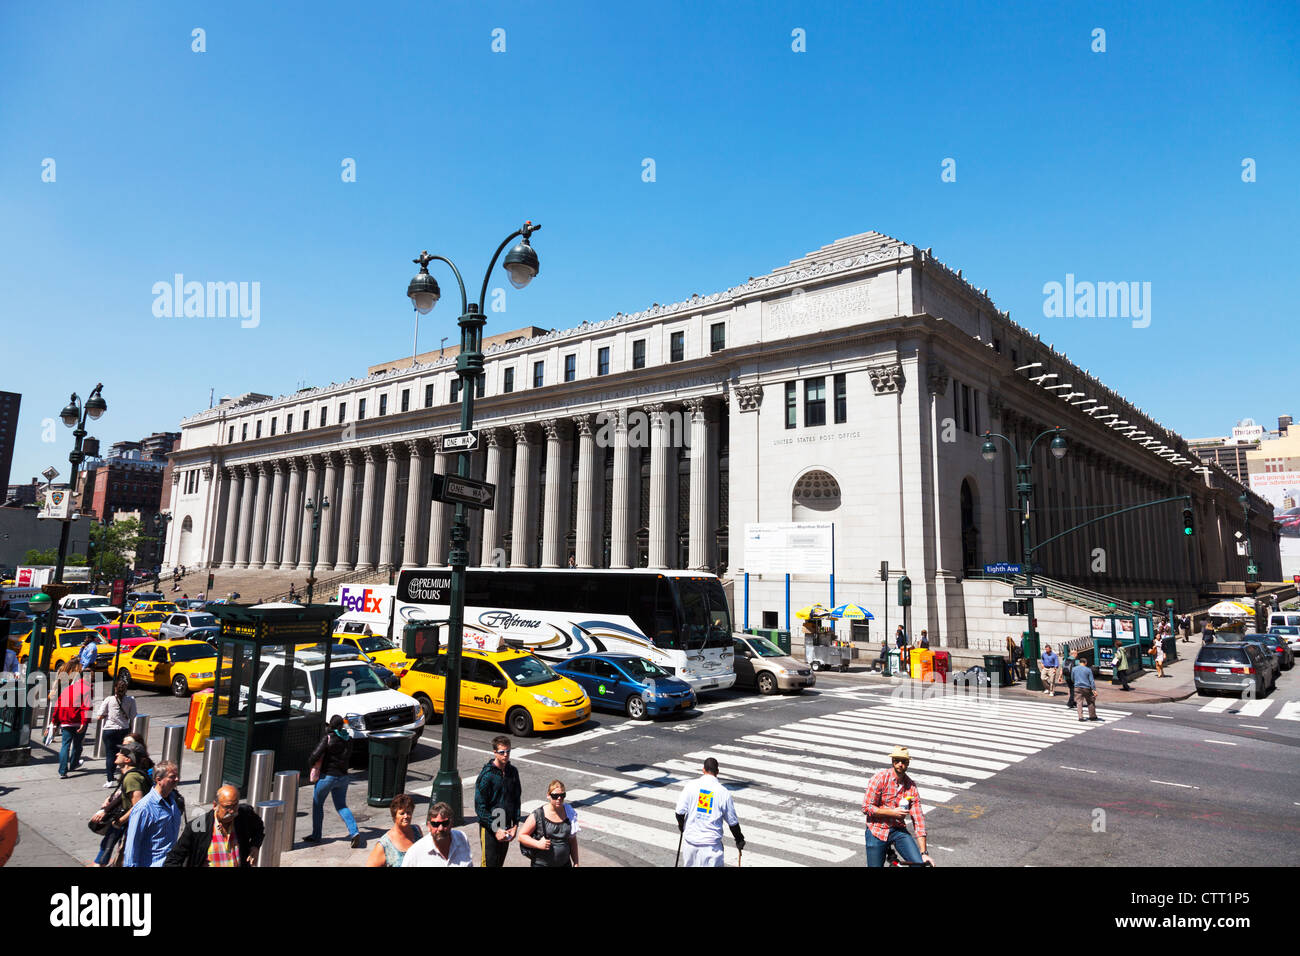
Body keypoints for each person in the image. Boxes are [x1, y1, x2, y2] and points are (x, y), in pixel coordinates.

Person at [862, 746, 933, 867]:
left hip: (897, 830)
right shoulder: (880, 779)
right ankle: (890, 856)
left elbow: (919, 819)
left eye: (904, 761)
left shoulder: (911, 786)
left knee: (919, 864)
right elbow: (867, 807)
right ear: (892, 761)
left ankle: (893, 859)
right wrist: (892, 812)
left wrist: (924, 852)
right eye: (897, 760)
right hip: (877, 830)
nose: (900, 764)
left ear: (908, 763)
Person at [165, 784, 264, 867]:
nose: (232, 811)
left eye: (235, 805)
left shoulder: (244, 815)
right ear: (215, 805)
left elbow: (259, 828)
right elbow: (173, 859)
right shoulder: (198, 827)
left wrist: (255, 846)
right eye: (227, 807)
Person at [674, 757, 744, 867]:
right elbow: (732, 822)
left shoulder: (690, 786)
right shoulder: (723, 792)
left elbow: (679, 812)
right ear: (717, 772)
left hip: (691, 845)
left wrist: (681, 825)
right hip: (711, 848)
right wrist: (739, 839)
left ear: (703, 770)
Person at [89, 740, 150, 866]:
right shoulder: (129, 775)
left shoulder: (132, 778)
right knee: (108, 849)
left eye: (121, 753)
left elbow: (138, 806)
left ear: (128, 760)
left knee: (120, 855)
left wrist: (120, 821)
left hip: (129, 824)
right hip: (126, 823)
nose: (117, 754)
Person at [304, 715, 361, 848]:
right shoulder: (349, 739)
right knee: (341, 806)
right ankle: (354, 832)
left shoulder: (329, 738)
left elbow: (315, 755)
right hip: (343, 777)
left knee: (318, 804)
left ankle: (316, 835)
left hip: (327, 777)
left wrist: (311, 764)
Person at [123, 760, 184, 867]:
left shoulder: (173, 801)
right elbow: (132, 844)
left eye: (177, 775)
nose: (177, 779)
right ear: (158, 780)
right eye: (172, 776)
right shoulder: (144, 808)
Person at [474, 734, 522, 867]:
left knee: (499, 862)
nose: (505, 755)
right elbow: (480, 808)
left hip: (506, 823)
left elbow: (516, 800)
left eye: (508, 751)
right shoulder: (487, 775)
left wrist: (515, 825)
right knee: (489, 863)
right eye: (502, 752)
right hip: (490, 826)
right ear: (495, 752)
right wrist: (495, 829)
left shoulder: (513, 772)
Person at [517, 779, 580, 868]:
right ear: (548, 796)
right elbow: (521, 836)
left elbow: (572, 839)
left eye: (562, 795)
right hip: (541, 864)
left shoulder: (569, 812)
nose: (559, 798)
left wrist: (576, 862)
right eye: (555, 796)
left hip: (565, 864)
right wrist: (538, 844)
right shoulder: (538, 814)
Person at [95, 675, 137, 787]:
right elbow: (133, 716)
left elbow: (99, 716)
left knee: (110, 754)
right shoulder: (131, 700)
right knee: (124, 755)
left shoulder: (109, 700)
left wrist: (108, 715)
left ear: (115, 688)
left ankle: (109, 779)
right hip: (124, 730)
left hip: (109, 730)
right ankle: (125, 777)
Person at [402, 801, 473, 867]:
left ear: (451, 823)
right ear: (428, 825)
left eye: (445, 823)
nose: (440, 828)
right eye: (435, 824)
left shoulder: (462, 838)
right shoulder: (415, 852)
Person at [54, 662, 92, 779]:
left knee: (65, 745)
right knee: (77, 745)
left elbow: (58, 705)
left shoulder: (68, 689)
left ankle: (62, 770)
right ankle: (74, 764)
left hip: (66, 721)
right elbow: (87, 707)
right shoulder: (87, 689)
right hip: (78, 721)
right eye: (91, 676)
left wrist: (55, 721)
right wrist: (84, 722)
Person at [366, 793, 422, 867]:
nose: (406, 816)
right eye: (402, 813)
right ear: (394, 816)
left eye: (408, 812)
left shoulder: (417, 830)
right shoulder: (384, 844)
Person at [1073, 655, 1098, 722]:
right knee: (1090, 701)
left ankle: (1080, 717)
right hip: (1086, 687)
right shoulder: (1088, 670)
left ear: (1079, 662)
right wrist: (1094, 689)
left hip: (1077, 687)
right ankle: (1092, 716)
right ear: (1085, 662)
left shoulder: (1074, 669)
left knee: (1079, 702)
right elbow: (1091, 681)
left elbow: (1072, 678)